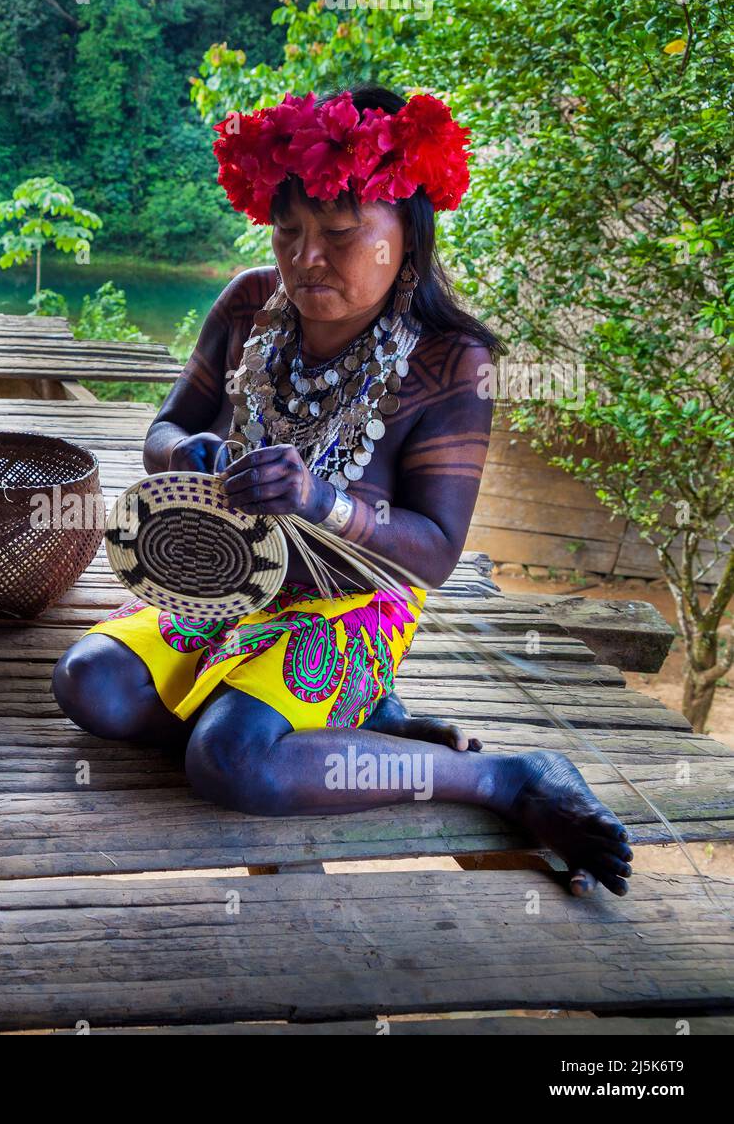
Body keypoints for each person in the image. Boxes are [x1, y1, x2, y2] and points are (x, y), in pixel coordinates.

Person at [52, 85, 632, 897]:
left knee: (231, 761)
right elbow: (161, 431)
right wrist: (193, 449)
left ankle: (505, 777)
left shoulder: (451, 361)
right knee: (89, 682)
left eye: (339, 231)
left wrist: (320, 499)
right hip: (230, 579)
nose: (305, 256)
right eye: (289, 229)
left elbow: (432, 551)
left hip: (352, 602)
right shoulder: (250, 303)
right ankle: (349, 716)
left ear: (408, 237)